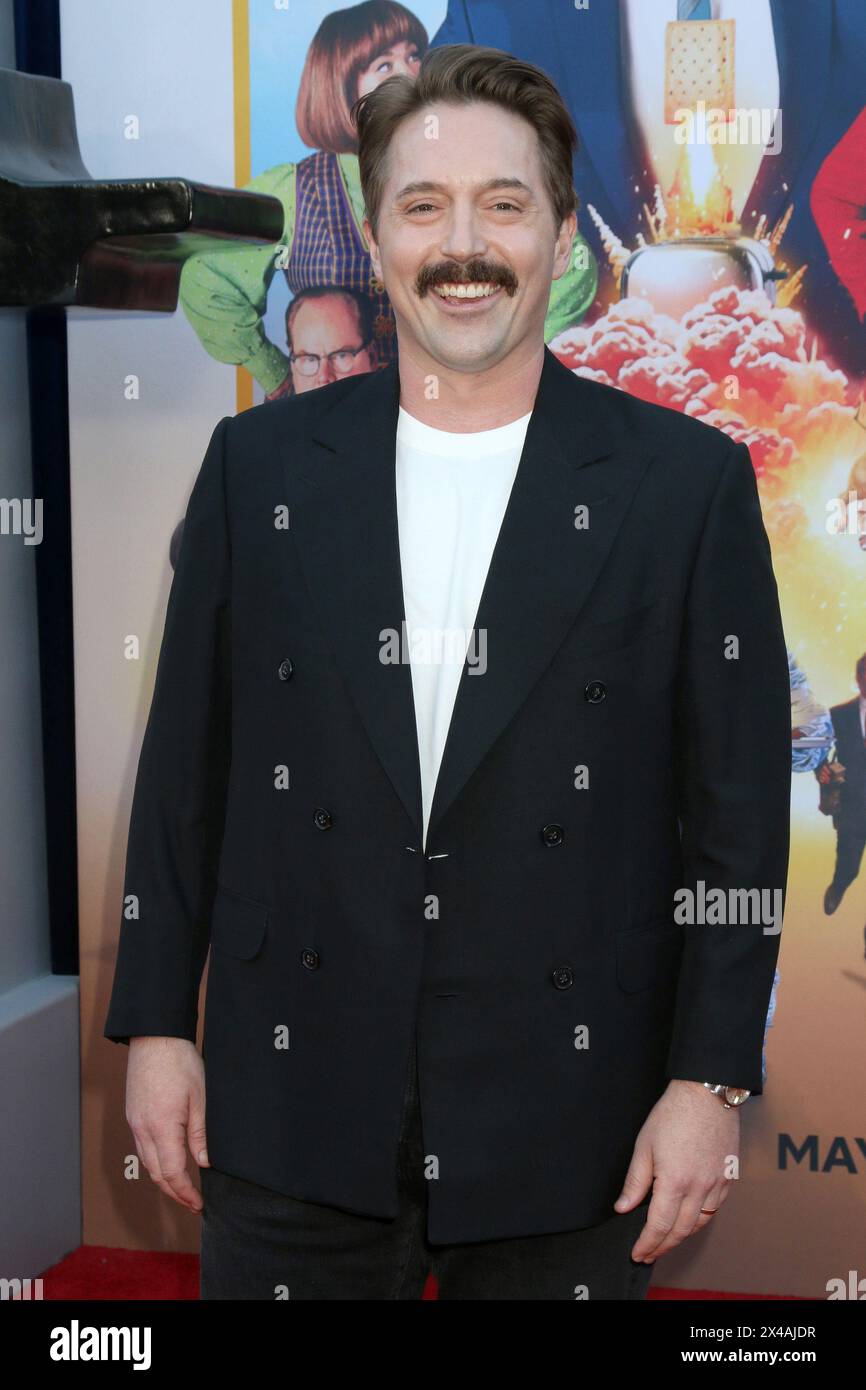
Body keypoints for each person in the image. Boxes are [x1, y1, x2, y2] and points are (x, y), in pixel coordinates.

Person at [104, 43, 791, 1301]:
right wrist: (157, 1025)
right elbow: (184, 775)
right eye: (421, 206)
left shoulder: (682, 486)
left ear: (563, 239)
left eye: (502, 204)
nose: (460, 245)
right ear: (373, 242)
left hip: (577, 1118)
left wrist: (707, 1078)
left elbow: (737, 825)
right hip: (292, 1097)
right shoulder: (258, 469)